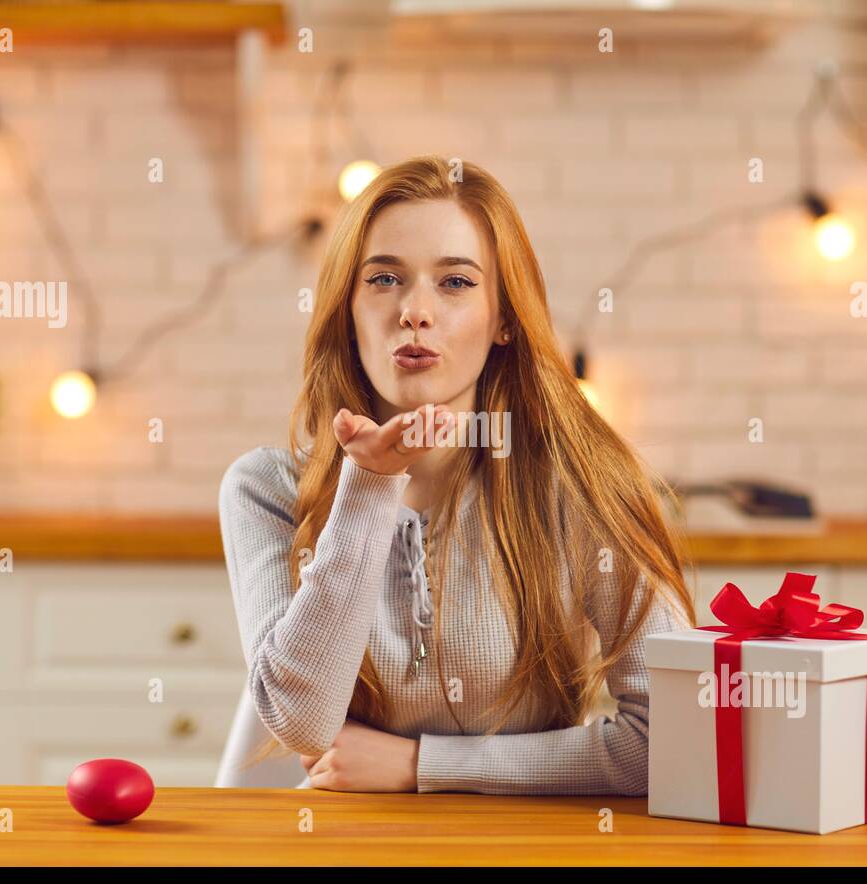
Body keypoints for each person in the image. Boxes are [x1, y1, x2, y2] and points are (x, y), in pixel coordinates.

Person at [219, 154, 694, 795]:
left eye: (456, 283)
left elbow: (675, 738)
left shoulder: (580, 485)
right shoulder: (265, 488)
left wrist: (424, 768)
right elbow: (302, 722)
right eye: (384, 279)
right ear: (346, 309)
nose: (415, 311)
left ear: (504, 320)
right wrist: (368, 486)